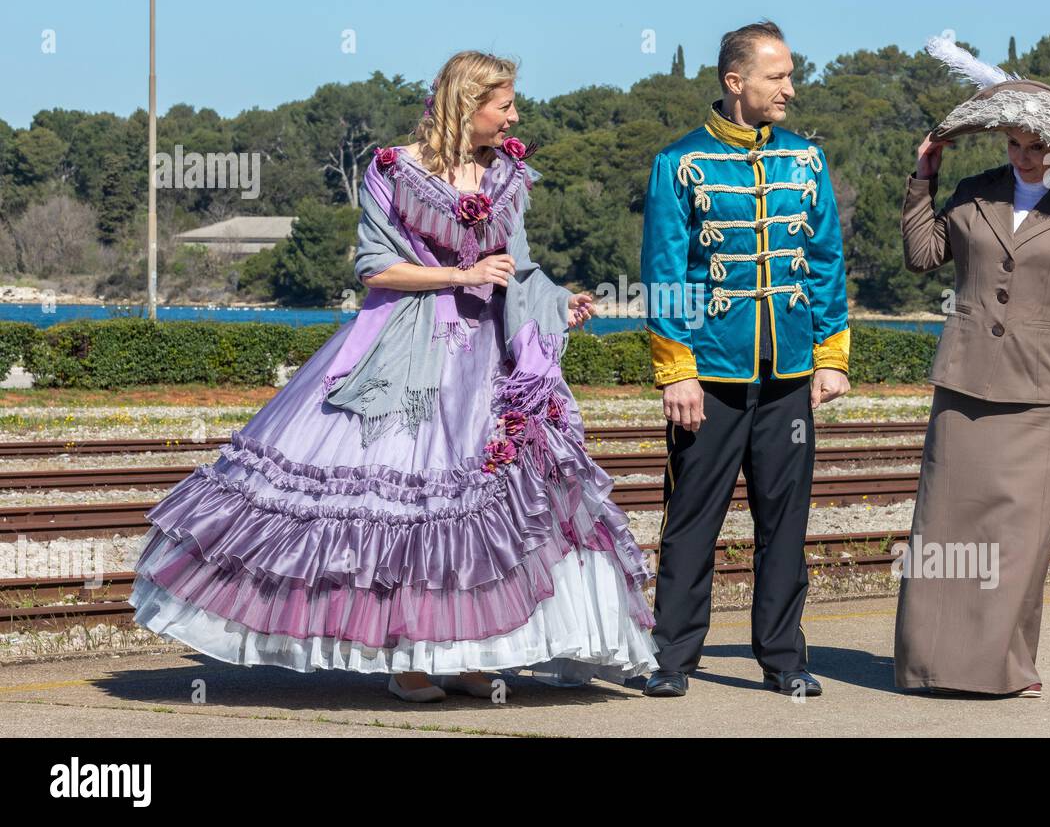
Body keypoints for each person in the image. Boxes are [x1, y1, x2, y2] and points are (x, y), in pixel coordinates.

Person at [130, 50, 658, 703]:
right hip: (405, 353)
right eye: (506, 105)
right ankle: (408, 659)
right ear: (469, 106)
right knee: (407, 507)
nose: (515, 115)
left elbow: (519, 268)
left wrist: (558, 301)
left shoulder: (508, 176)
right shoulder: (393, 170)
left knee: (480, 514)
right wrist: (460, 275)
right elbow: (374, 268)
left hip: (487, 355)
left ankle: (467, 654)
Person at [894, 36, 1050, 697]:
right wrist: (922, 175)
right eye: (1014, 144)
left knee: (1016, 541)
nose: (1025, 156)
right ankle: (929, 666)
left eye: (1036, 146)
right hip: (965, 379)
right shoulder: (972, 192)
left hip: (1039, 394)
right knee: (945, 528)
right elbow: (923, 255)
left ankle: (1004, 670)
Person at [639, 21, 852, 697]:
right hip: (710, 380)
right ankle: (672, 657)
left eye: (791, 75)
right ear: (736, 83)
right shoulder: (678, 163)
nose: (790, 88)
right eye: (777, 76)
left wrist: (832, 355)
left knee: (785, 522)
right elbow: (666, 272)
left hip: (790, 377)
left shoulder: (805, 160)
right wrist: (677, 370)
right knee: (692, 519)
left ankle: (785, 658)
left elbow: (825, 264)